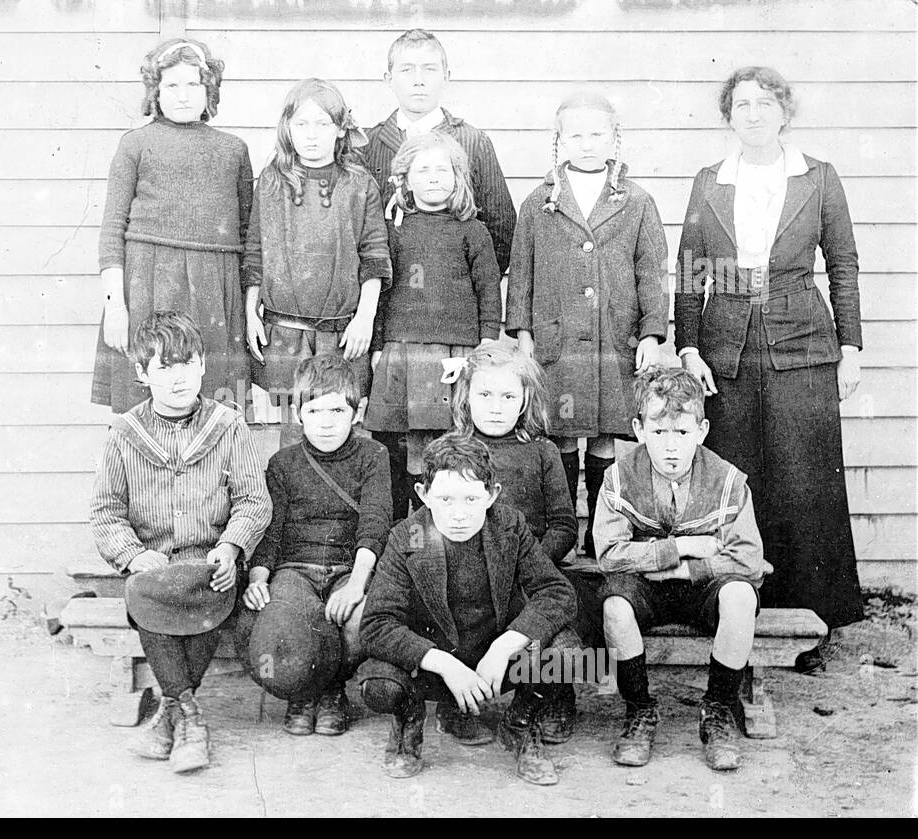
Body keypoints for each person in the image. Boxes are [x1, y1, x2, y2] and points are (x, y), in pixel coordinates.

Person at [675, 67, 865, 664]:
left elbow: (843, 265)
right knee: (737, 475)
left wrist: (851, 349)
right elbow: (689, 271)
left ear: (785, 112)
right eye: (741, 105)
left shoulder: (818, 177)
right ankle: (733, 611)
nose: (753, 114)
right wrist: (689, 348)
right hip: (725, 342)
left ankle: (812, 621)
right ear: (728, 116)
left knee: (803, 479)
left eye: (765, 104)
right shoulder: (711, 182)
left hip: (803, 340)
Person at [89, 311, 271, 773]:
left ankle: (172, 714)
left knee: (204, 587)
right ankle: (187, 714)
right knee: (149, 591)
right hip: (153, 569)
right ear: (142, 374)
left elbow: (253, 500)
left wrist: (231, 547)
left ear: (203, 365)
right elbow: (106, 511)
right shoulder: (124, 435)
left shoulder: (228, 426)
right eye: (164, 367)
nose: (178, 378)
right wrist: (132, 556)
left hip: (212, 564)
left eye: (186, 363)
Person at [358, 434, 577, 783]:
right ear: (423, 494)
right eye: (445, 499)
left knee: (569, 655)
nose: (458, 515)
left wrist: (505, 646)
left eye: (471, 499)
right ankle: (409, 724)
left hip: (493, 664)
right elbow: (375, 625)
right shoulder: (406, 536)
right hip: (433, 668)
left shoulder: (509, 526)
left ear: (491, 495)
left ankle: (521, 723)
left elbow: (557, 592)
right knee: (379, 685)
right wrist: (443, 664)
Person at [505, 90, 668, 558]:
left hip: (614, 338)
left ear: (616, 139)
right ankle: (560, 539)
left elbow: (651, 270)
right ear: (559, 141)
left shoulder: (636, 201)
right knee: (559, 433)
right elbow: (522, 271)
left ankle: (600, 539)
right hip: (556, 340)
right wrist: (522, 335)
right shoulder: (540, 202)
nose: (588, 143)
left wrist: (653, 333)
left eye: (598, 134)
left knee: (602, 434)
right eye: (576, 135)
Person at [593, 368, 771, 772]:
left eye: (682, 432)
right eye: (659, 433)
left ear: (702, 430)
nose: (671, 446)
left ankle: (718, 711)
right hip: (644, 588)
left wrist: (681, 571)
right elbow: (609, 555)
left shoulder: (727, 480)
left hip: (702, 588)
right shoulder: (618, 478)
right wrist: (682, 548)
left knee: (741, 594)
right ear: (639, 430)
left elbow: (749, 559)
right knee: (615, 606)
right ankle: (639, 710)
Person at [91, 38, 254, 414]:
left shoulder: (233, 150)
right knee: (148, 399)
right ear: (156, 91)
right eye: (171, 86)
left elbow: (249, 238)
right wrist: (116, 307)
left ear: (209, 89)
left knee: (215, 403)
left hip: (215, 287)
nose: (183, 96)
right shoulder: (135, 145)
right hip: (148, 285)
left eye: (194, 84)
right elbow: (112, 232)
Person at [241, 353, 392, 736]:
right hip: (295, 570)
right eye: (315, 410)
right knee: (287, 623)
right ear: (298, 413)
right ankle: (302, 693)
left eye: (338, 410)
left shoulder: (374, 456)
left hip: (349, 568)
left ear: (356, 414)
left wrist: (357, 584)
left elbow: (375, 522)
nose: (326, 422)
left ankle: (330, 691)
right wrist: (259, 579)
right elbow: (270, 533)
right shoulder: (282, 463)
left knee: (360, 619)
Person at [443, 340, 580, 740]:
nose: (496, 405)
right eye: (485, 394)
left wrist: (529, 561)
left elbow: (564, 525)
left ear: (524, 401)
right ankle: (459, 704)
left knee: (568, 648)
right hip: (469, 582)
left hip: (531, 579)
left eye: (508, 396)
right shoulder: (452, 451)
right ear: (466, 397)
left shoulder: (543, 452)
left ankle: (549, 697)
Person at [366, 131, 501, 520]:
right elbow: (382, 292)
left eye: (443, 169)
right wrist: (378, 347)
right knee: (397, 441)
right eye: (423, 170)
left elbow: (489, 291)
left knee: (447, 441)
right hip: (401, 350)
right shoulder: (393, 229)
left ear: (458, 177)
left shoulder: (472, 230)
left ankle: (443, 519)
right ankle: (401, 524)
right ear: (405, 178)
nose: (434, 177)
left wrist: (484, 348)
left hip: (455, 354)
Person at [243, 77, 392, 429]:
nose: (312, 135)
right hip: (282, 335)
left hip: (341, 337)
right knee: (288, 433)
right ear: (288, 129)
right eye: (302, 124)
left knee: (340, 429)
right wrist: (251, 313)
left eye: (323, 124)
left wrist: (365, 319)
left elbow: (374, 255)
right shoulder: (272, 181)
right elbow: (254, 254)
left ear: (340, 130)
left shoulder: (359, 183)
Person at [359, 27, 515, 278]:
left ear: (446, 76)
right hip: (387, 299)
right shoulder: (369, 144)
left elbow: (502, 228)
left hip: (453, 298)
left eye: (429, 69)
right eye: (406, 69)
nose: (418, 80)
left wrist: (468, 285)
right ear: (389, 78)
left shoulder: (473, 142)